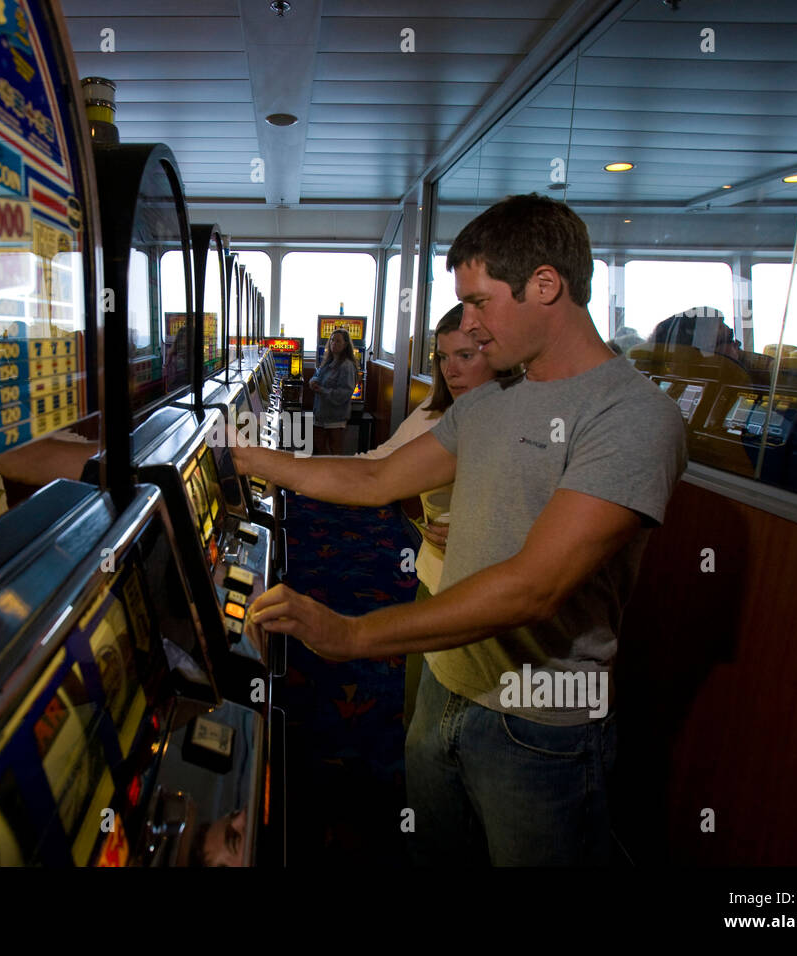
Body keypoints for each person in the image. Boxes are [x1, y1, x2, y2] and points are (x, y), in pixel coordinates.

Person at [232, 193, 687, 865]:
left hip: (537, 721)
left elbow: (533, 588)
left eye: (479, 303)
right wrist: (242, 456)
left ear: (544, 284)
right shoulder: (494, 400)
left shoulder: (632, 417)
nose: (469, 328)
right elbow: (376, 480)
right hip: (445, 685)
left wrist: (355, 634)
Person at [358, 304, 497, 725]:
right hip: (433, 577)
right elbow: (378, 468)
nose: (450, 370)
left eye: (466, 356)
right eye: (442, 357)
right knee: (420, 718)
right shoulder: (436, 412)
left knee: (470, 721)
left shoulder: (518, 417)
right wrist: (267, 461)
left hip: (489, 595)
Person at [309, 328, 357, 455]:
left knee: (335, 450)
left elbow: (345, 393)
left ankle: (336, 474)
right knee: (319, 445)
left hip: (336, 416)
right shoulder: (327, 361)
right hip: (321, 413)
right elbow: (317, 375)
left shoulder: (347, 365)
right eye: (332, 340)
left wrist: (322, 390)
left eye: (338, 341)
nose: (333, 343)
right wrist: (313, 381)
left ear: (345, 344)